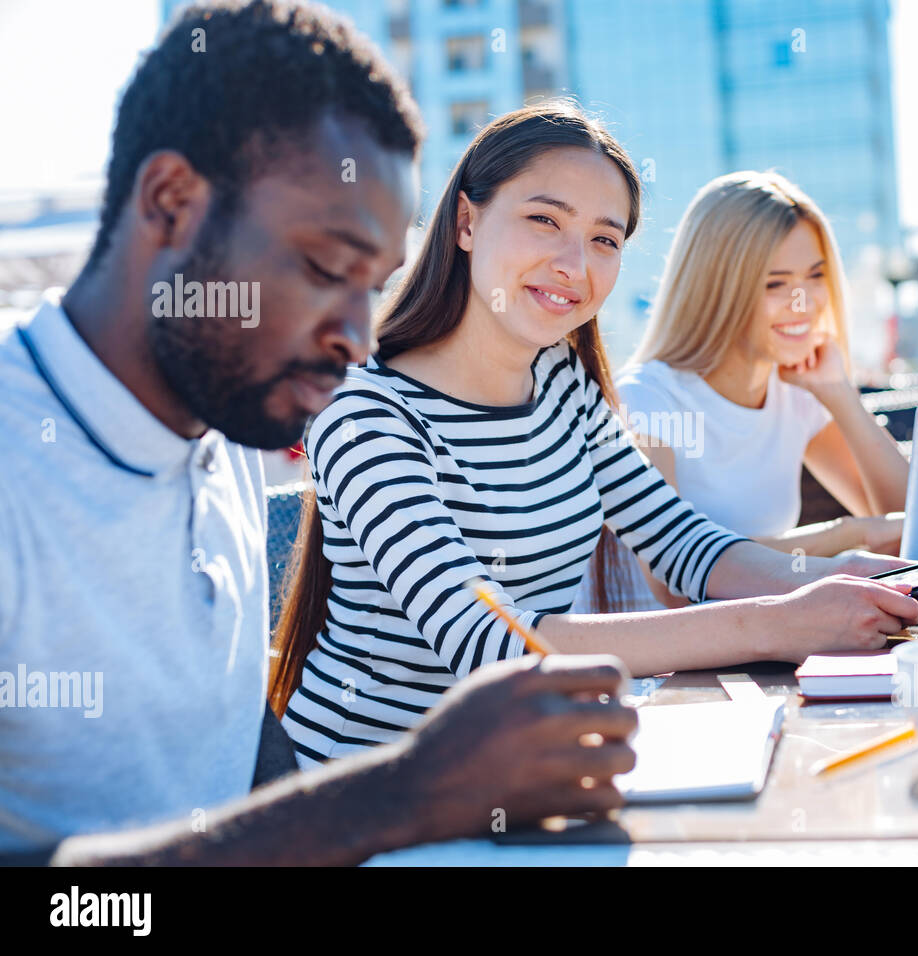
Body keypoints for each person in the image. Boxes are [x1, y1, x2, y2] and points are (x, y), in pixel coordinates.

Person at [0, 0, 636, 866]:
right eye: (326, 269)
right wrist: (402, 794)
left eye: (370, 285)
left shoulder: (216, 429)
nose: (358, 336)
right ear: (171, 202)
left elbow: (233, 761)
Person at [272, 103, 918, 768]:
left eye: (604, 240)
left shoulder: (559, 380)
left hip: (534, 770)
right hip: (371, 799)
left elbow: (682, 544)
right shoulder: (363, 410)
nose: (573, 264)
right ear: (467, 223)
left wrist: (833, 577)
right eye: (544, 220)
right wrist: (780, 622)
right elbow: (491, 642)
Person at [573, 170, 908, 613]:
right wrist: (847, 536)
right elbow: (674, 584)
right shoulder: (648, 400)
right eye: (775, 283)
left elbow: (908, 521)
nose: (803, 302)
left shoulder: (796, 396)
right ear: (718, 288)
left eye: (815, 276)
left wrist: (839, 394)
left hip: (756, 658)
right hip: (658, 675)